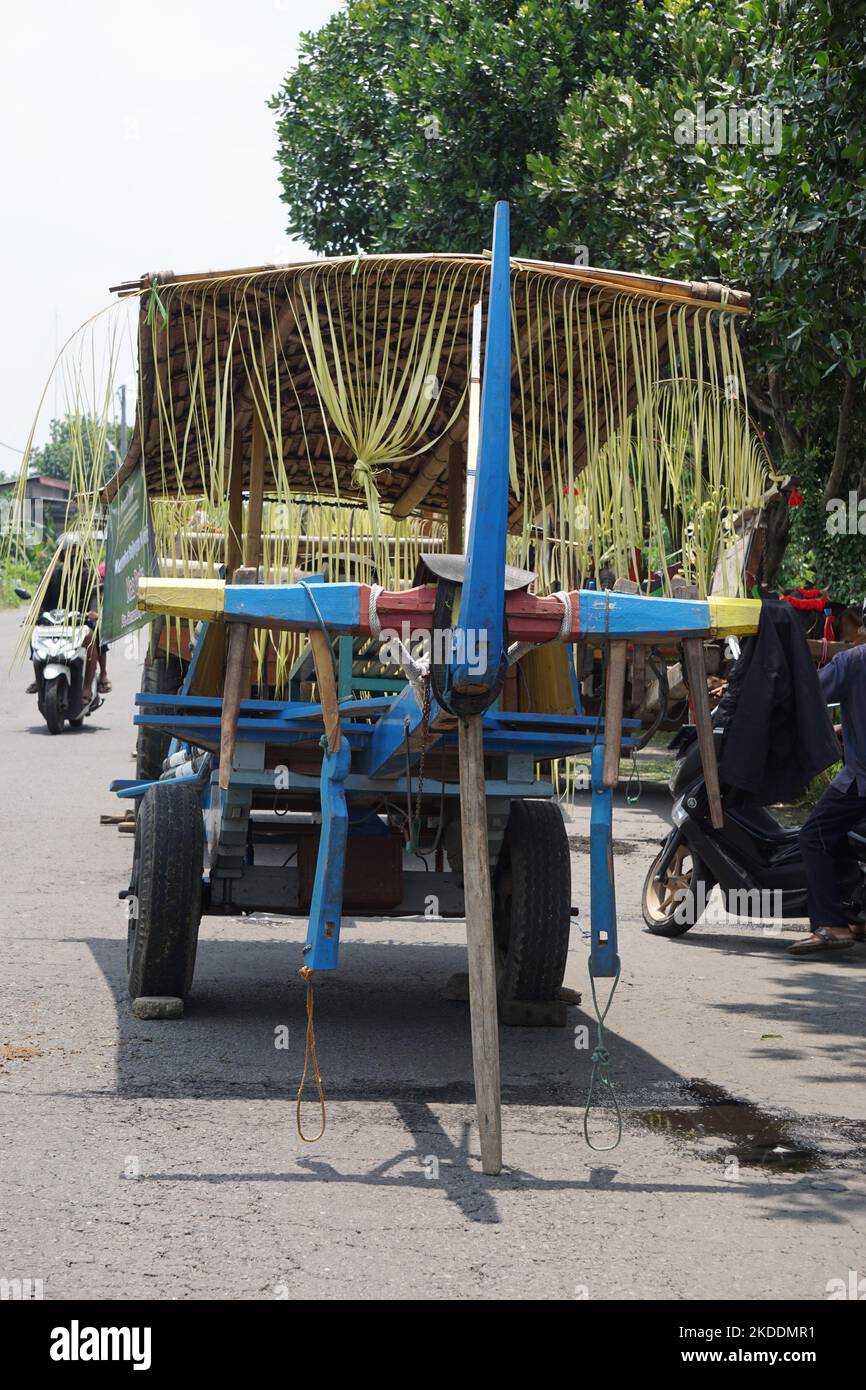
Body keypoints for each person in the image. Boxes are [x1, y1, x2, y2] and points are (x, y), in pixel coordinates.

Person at [790, 596, 866, 956]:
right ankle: (857, 912)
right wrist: (842, 728)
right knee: (839, 834)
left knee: (814, 835)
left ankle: (831, 924)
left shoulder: (853, 661)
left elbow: (807, 694)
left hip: (861, 778)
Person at [26, 533, 99, 711]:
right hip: (54, 623)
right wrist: (35, 615)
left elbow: (95, 598)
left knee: (91, 637)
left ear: (81, 551)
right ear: (61, 553)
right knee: (34, 633)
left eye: (75, 549)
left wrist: (92, 612)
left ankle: (89, 685)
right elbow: (40, 601)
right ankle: (39, 675)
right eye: (67, 550)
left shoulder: (89, 574)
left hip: (79, 624)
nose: (71, 553)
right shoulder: (52, 574)